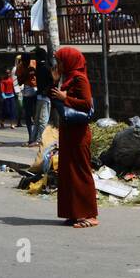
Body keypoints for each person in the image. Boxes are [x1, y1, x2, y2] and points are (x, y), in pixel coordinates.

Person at [50, 47, 97, 228]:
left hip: (79, 134)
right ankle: (74, 212)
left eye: (60, 61)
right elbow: (53, 98)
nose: (58, 65)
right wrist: (55, 83)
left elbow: (86, 103)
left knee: (81, 173)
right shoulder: (68, 79)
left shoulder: (80, 78)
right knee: (69, 173)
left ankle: (89, 214)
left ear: (69, 61)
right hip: (69, 133)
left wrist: (65, 97)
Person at [17, 53, 39, 145]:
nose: (26, 63)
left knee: (37, 114)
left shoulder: (34, 63)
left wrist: (34, 71)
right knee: (27, 114)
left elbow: (41, 74)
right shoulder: (20, 67)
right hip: (27, 91)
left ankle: (36, 137)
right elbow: (19, 82)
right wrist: (26, 73)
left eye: (27, 62)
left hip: (37, 89)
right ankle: (30, 136)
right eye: (24, 62)